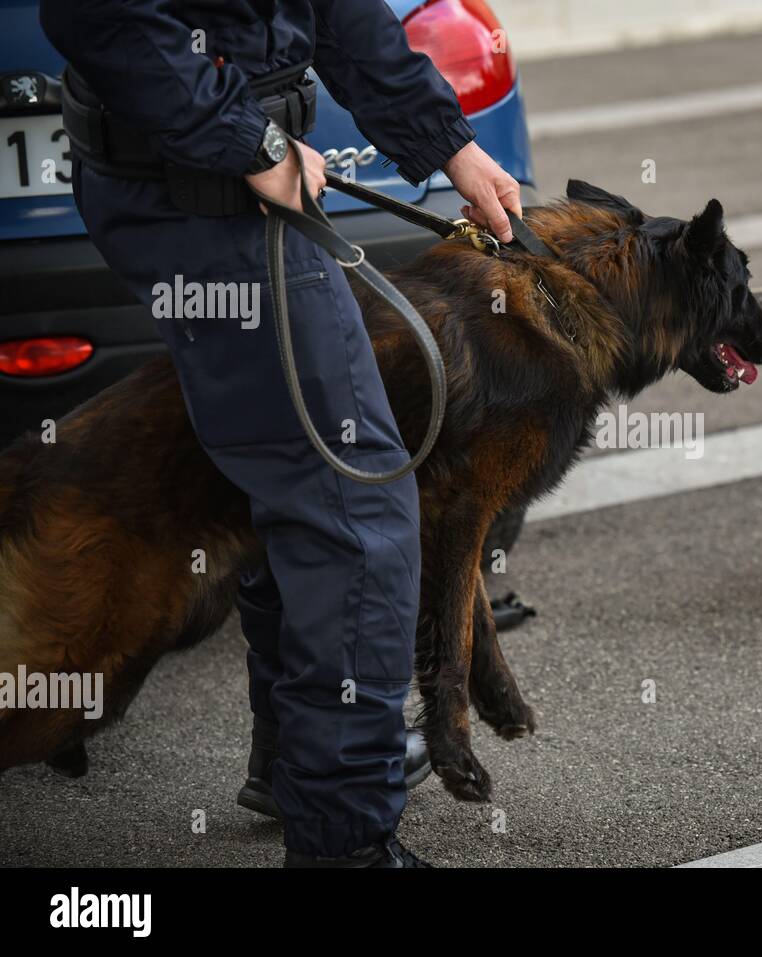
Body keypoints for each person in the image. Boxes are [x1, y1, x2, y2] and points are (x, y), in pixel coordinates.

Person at [41, 0, 521, 868]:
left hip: (217, 172)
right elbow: (103, 16)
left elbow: (337, 8)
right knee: (357, 507)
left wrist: (446, 141)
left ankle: (300, 766)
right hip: (206, 189)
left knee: (288, 480)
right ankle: (344, 838)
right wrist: (250, 144)